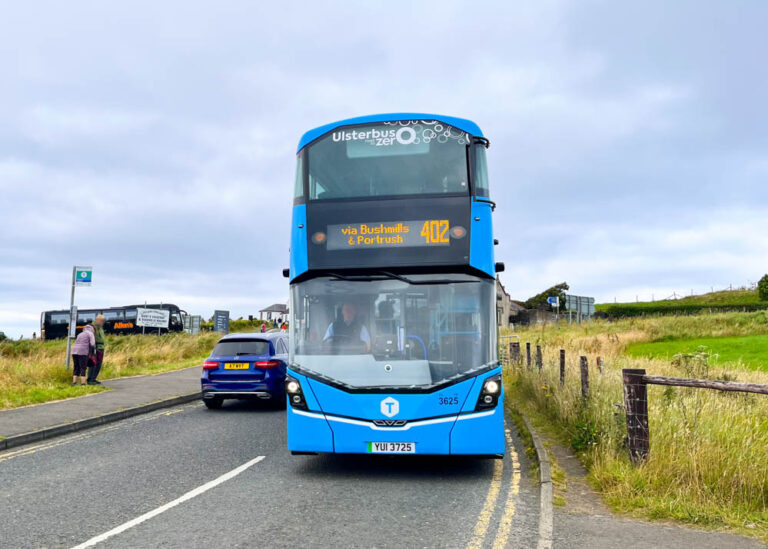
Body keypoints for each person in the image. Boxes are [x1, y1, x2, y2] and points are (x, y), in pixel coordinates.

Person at [87, 314, 106, 385]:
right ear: (98, 320)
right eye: (102, 321)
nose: (103, 322)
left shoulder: (100, 328)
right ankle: (90, 379)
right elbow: (91, 338)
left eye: (103, 321)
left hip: (101, 348)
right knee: (93, 364)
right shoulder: (92, 327)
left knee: (98, 364)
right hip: (96, 348)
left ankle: (93, 378)